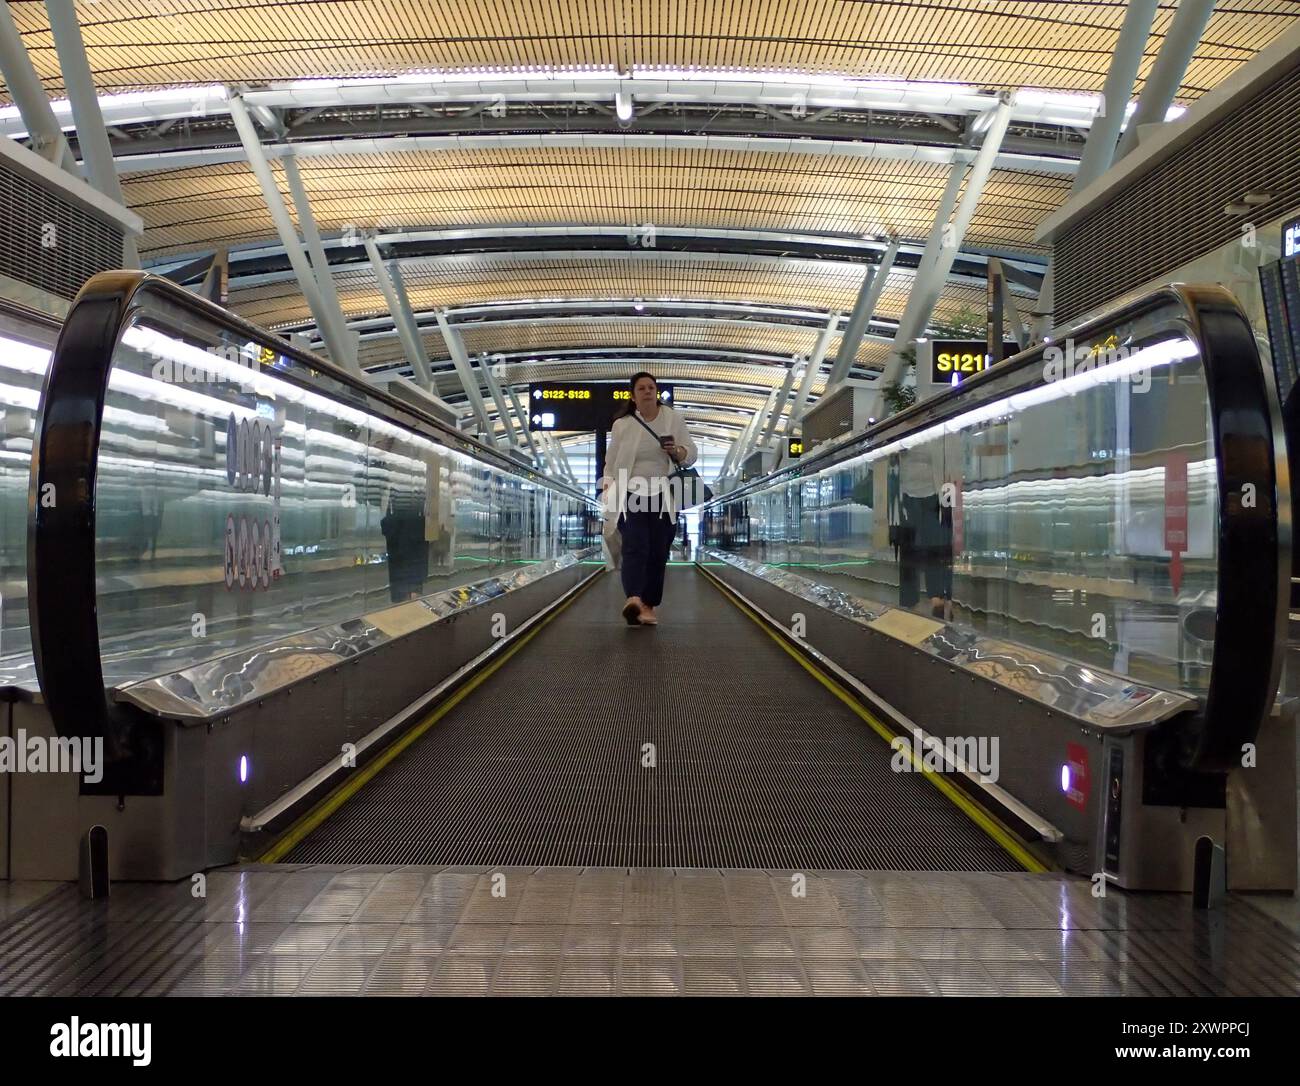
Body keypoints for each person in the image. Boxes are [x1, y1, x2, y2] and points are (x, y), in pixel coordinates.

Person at [599, 372, 698, 626]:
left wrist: (676, 450)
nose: (647, 391)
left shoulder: (672, 419)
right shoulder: (623, 424)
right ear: (633, 395)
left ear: (657, 392)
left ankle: (649, 604)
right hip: (632, 492)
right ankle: (633, 597)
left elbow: (691, 454)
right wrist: (608, 486)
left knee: (658, 550)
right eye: (641, 388)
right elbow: (611, 461)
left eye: (651, 387)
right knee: (635, 545)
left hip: (662, 493)